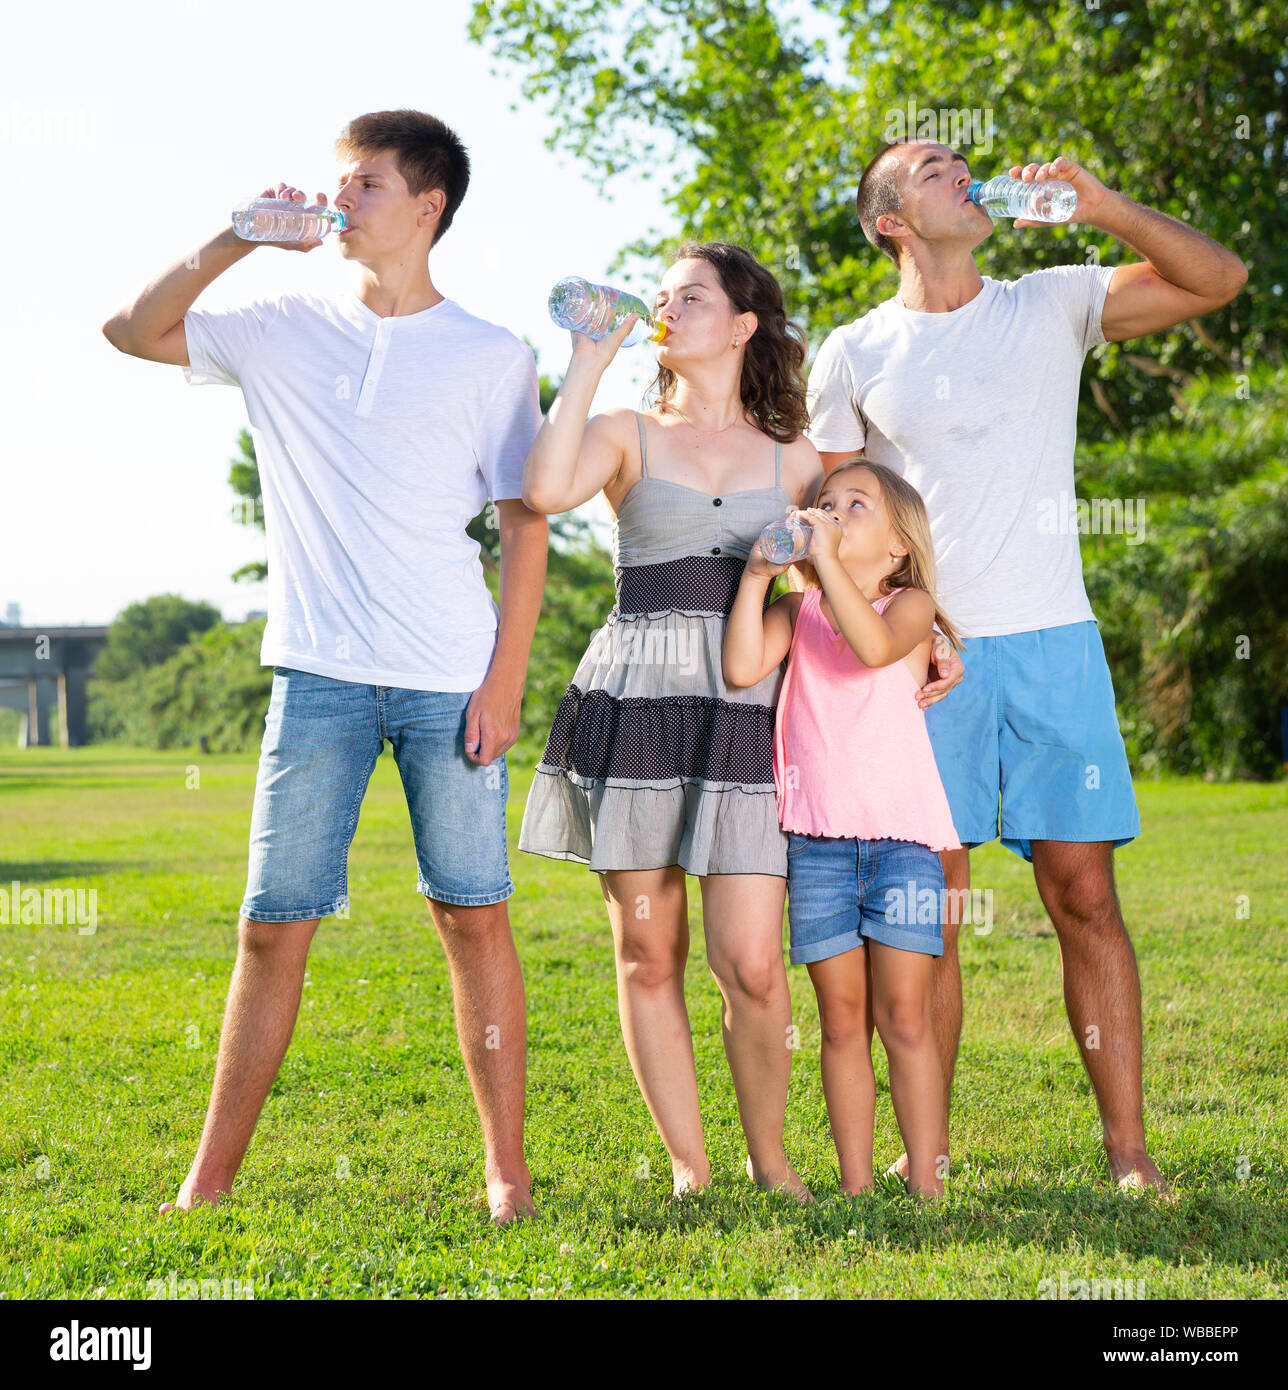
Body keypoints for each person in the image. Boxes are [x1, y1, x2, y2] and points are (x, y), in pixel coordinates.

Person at [101, 109, 547, 1223]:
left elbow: (526, 523)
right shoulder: (279, 321)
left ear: (428, 205)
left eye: (365, 185)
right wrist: (237, 236)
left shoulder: (495, 355)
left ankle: (505, 1170)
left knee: (473, 914)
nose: (340, 199)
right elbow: (128, 329)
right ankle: (207, 1181)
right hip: (316, 673)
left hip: (450, 672)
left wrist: (505, 681)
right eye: (339, 182)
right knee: (271, 922)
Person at [807, 144, 1249, 1192]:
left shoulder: (1052, 299)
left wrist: (1101, 204)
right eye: (929, 168)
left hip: (1054, 642)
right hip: (927, 657)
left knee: (1083, 894)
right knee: (933, 904)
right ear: (890, 222)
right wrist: (899, 632)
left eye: (962, 159)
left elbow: (1217, 277)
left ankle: (1127, 1152)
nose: (960, 170)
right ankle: (930, 1151)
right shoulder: (853, 351)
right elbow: (837, 522)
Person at [519, 241, 966, 1198]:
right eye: (663, 298)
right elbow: (546, 490)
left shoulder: (799, 457)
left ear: (743, 324)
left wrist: (939, 634)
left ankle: (773, 1161)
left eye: (690, 296)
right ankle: (692, 1166)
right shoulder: (625, 431)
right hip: (637, 694)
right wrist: (589, 358)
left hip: (754, 708)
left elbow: (877, 541)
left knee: (754, 963)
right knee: (647, 951)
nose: (668, 310)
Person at [724, 459, 964, 1198]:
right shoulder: (801, 616)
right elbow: (739, 666)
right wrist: (758, 579)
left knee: (906, 1016)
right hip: (819, 849)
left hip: (905, 848)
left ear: (897, 545)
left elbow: (870, 649)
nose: (833, 513)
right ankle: (856, 1186)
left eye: (857, 505)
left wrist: (821, 563)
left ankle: (925, 1181)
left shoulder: (912, 606)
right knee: (841, 1022)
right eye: (826, 503)